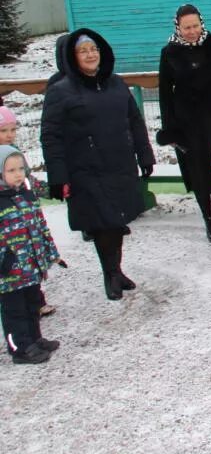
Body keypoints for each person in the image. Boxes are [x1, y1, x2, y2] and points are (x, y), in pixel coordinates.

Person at [40, 29, 154, 301]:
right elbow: (50, 135)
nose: (90, 55)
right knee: (103, 222)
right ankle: (110, 274)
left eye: (94, 49)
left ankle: (116, 269)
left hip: (119, 164)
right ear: (73, 57)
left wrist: (144, 154)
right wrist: (58, 175)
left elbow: (134, 121)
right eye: (83, 51)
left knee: (117, 222)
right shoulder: (60, 91)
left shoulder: (115, 83)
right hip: (86, 169)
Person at [157, 4, 211, 242]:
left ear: (201, 24)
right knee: (199, 173)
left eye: (195, 26)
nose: (192, 31)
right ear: (178, 28)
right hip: (188, 124)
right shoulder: (169, 52)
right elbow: (165, 92)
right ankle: (209, 220)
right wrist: (171, 129)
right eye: (186, 27)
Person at [0, 145, 62, 364]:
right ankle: (20, 348)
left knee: (32, 305)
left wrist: (50, 253)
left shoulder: (27, 196)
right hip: (9, 272)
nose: (18, 174)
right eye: (11, 170)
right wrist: (4, 262)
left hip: (32, 266)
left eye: (21, 169)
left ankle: (35, 339)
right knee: (14, 311)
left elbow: (40, 227)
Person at [0, 107, 58, 318]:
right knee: (11, 265)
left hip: (25, 215)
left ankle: (36, 301)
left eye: (12, 130)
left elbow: (28, 179)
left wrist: (49, 190)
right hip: (6, 223)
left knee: (31, 259)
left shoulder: (15, 154)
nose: (9, 135)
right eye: (3, 131)